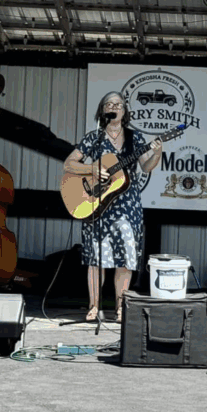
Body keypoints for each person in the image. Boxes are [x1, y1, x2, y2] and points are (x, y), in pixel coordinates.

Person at [62, 92, 163, 322]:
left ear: (124, 111)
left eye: (118, 104)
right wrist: (91, 170)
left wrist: (157, 152)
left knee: (125, 259)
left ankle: (121, 309)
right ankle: (94, 307)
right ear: (103, 110)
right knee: (97, 258)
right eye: (109, 103)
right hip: (96, 206)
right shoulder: (93, 138)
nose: (114, 107)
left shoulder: (134, 138)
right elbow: (69, 164)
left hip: (128, 207)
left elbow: (146, 167)